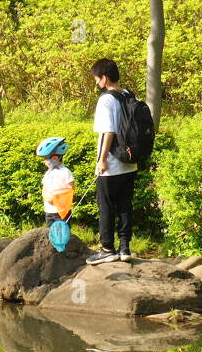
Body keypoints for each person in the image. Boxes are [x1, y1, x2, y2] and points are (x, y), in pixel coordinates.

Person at [86, 58, 138, 265]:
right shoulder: (129, 95)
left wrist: (102, 160)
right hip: (130, 161)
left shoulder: (106, 100)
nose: (96, 83)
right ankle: (124, 248)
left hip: (111, 164)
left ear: (104, 79)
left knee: (106, 206)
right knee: (125, 205)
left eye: (97, 79)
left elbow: (108, 131)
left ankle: (107, 248)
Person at [37, 137, 74, 228]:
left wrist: (56, 199)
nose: (44, 162)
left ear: (54, 158)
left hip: (61, 211)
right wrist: (46, 197)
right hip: (49, 211)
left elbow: (71, 189)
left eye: (45, 159)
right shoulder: (48, 173)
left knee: (62, 234)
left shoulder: (65, 172)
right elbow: (44, 188)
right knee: (50, 234)